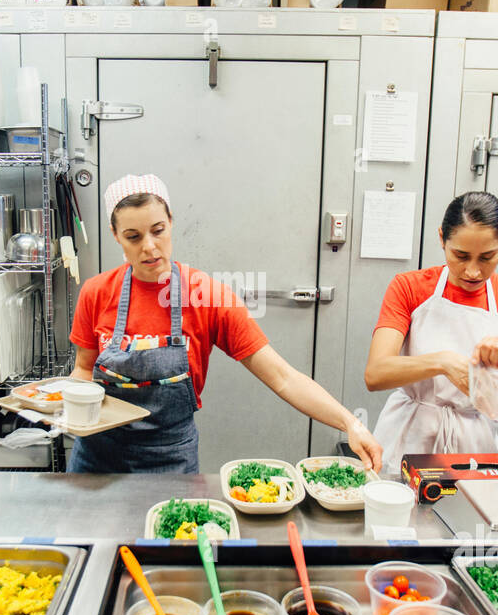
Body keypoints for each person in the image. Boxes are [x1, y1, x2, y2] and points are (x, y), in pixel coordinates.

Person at [68, 174, 382, 474]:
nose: (149, 246)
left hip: (168, 459)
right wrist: (68, 407)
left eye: (158, 230)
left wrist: (350, 423)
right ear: (115, 235)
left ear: (172, 222)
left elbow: (283, 377)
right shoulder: (96, 293)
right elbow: (84, 368)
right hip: (97, 457)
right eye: (133, 237)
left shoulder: (208, 296)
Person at [364, 191, 498, 474]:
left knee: (470, 516)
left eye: (487, 257)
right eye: (460, 256)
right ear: (441, 238)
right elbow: (375, 374)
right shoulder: (409, 287)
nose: (472, 271)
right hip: (407, 439)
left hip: (475, 448)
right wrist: (442, 363)